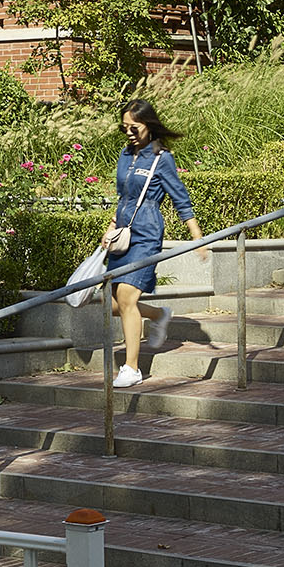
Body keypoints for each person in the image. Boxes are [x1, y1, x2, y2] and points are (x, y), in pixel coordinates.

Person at [103, 98, 198, 389]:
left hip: (147, 234)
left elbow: (179, 196)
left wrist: (197, 236)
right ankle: (159, 314)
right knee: (113, 306)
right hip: (123, 235)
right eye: (125, 128)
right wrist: (111, 226)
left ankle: (131, 368)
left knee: (128, 298)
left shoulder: (161, 158)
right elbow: (124, 196)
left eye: (135, 127)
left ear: (148, 125)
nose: (129, 133)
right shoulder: (124, 154)